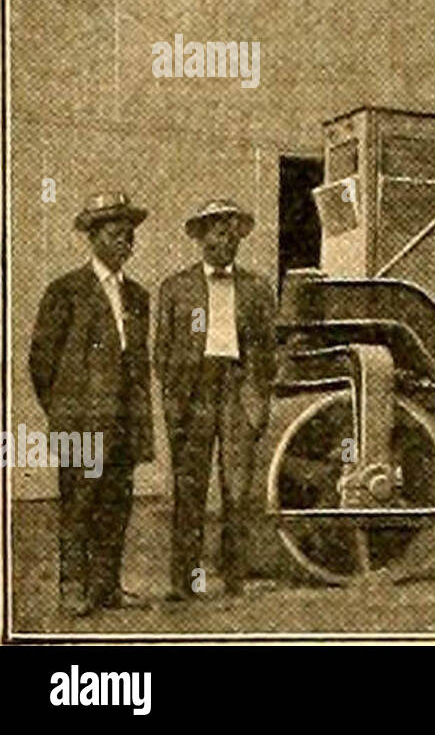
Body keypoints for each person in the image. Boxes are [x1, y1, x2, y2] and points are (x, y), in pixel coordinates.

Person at [29, 192, 154, 616]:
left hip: (124, 422)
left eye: (130, 236)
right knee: (79, 504)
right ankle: (73, 589)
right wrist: (65, 414)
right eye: (117, 235)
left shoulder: (137, 296)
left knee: (116, 504)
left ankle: (107, 588)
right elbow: (41, 364)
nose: (127, 243)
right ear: (94, 238)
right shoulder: (65, 291)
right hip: (81, 423)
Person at [156, 199, 276, 600]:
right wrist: (175, 401)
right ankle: (186, 581)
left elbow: (267, 351)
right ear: (202, 237)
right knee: (189, 488)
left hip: (237, 387)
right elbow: (163, 352)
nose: (226, 241)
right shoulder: (175, 287)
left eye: (232, 233)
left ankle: (234, 578)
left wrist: (259, 398)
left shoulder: (257, 289)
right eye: (218, 232)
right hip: (195, 391)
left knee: (236, 488)